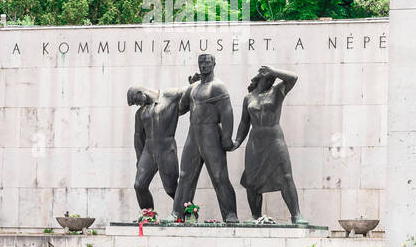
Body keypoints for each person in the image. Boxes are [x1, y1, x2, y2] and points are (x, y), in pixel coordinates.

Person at [235, 66, 306, 225]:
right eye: (267, 76)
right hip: (255, 142)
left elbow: (293, 77)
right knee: (251, 180)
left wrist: (274, 70)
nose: (271, 79)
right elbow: (244, 123)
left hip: (274, 139)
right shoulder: (248, 98)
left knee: (286, 176)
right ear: (259, 77)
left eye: (273, 77)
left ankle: (296, 215)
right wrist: (236, 142)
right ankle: (255, 216)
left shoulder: (277, 91)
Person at [172, 54, 239, 223]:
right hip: (193, 135)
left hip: (211, 134)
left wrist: (227, 137)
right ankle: (178, 214)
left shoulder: (218, 87)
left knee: (219, 176)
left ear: (214, 64)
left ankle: (230, 214)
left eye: (207, 62)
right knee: (185, 175)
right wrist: (186, 88)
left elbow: (227, 112)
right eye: (201, 62)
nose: (203, 65)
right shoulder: (193, 87)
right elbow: (180, 109)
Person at [127, 85, 188, 213]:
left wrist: (195, 82)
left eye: (136, 101)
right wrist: (139, 159)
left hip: (166, 148)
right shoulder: (140, 113)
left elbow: (187, 91)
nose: (137, 105)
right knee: (139, 186)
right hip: (148, 151)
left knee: (171, 188)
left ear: (140, 92)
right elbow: (138, 137)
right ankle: (148, 215)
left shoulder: (169, 96)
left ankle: (189, 211)